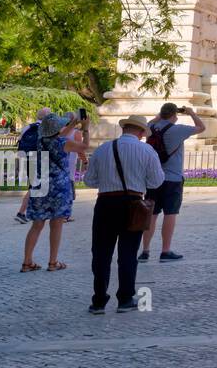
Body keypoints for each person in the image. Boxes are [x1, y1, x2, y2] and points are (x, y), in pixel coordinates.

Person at [82, 115, 165, 313]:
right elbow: (156, 181)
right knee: (128, 254)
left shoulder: (102, 149)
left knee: (101, 254)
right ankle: (125, 298)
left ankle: (99, 300)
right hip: (133, 204)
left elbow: (89, 181)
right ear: (141, 132)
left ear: (124, 129)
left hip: (105, 203)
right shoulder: (146, 150)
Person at [21, 112, 87, 272]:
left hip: (40, 186)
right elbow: (84, 147)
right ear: (57, 129)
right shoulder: (63, 143)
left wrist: (72, 125)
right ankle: (53, 262)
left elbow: (57, 134)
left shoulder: (40, 140)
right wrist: (86, 129)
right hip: (58, 187)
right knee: (56, 225)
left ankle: (27, 262)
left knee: (36, 225)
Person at [140, 102, 205, 262]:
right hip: (172, 178)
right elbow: (201, 127)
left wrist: (160, 116)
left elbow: (154, 121)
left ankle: (145, 251)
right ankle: (165, 250)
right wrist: (191, 113)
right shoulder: (178, 129)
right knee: (170, 214)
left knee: (151, 214)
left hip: (153, 178)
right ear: (174, 115)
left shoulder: (150, 127)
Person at [14, 107, 51, 223]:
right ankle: (21, 212)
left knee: (35, 186)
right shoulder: (47, 129)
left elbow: (20, 143)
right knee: (36, 187)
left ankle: (36, 211)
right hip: (41, 159)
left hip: (28, 159)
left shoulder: (28, 127)